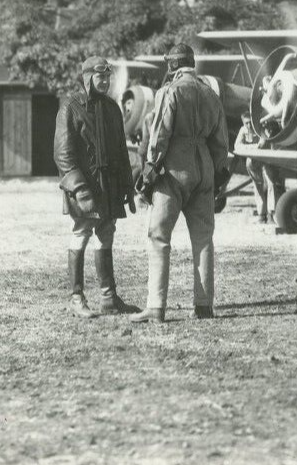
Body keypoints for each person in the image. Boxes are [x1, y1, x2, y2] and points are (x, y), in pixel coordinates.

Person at [131, 43, 230, 323]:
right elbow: (221, 143)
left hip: (173, 171)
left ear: (172, 66)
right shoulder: (210, 93)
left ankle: (156, 307)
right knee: (203, 239)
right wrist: (216, 173)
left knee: (159, 237)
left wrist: (150, 171)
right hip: (204, 171)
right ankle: (203, 306)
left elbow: (159, 134)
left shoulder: (170, 91)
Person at [54, 55, 140, 318]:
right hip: (85, 187)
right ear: (87, 77)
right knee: (80, 234)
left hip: (110, 187)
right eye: (99, 77)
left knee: (107, 234)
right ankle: (76, 297)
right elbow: (63, 154)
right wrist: (79, 189)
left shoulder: (113, 108)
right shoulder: (70, 107)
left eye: (107, 77)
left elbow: (121, 152)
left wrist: (127, 186)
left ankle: (108, 298)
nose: (104, 81)